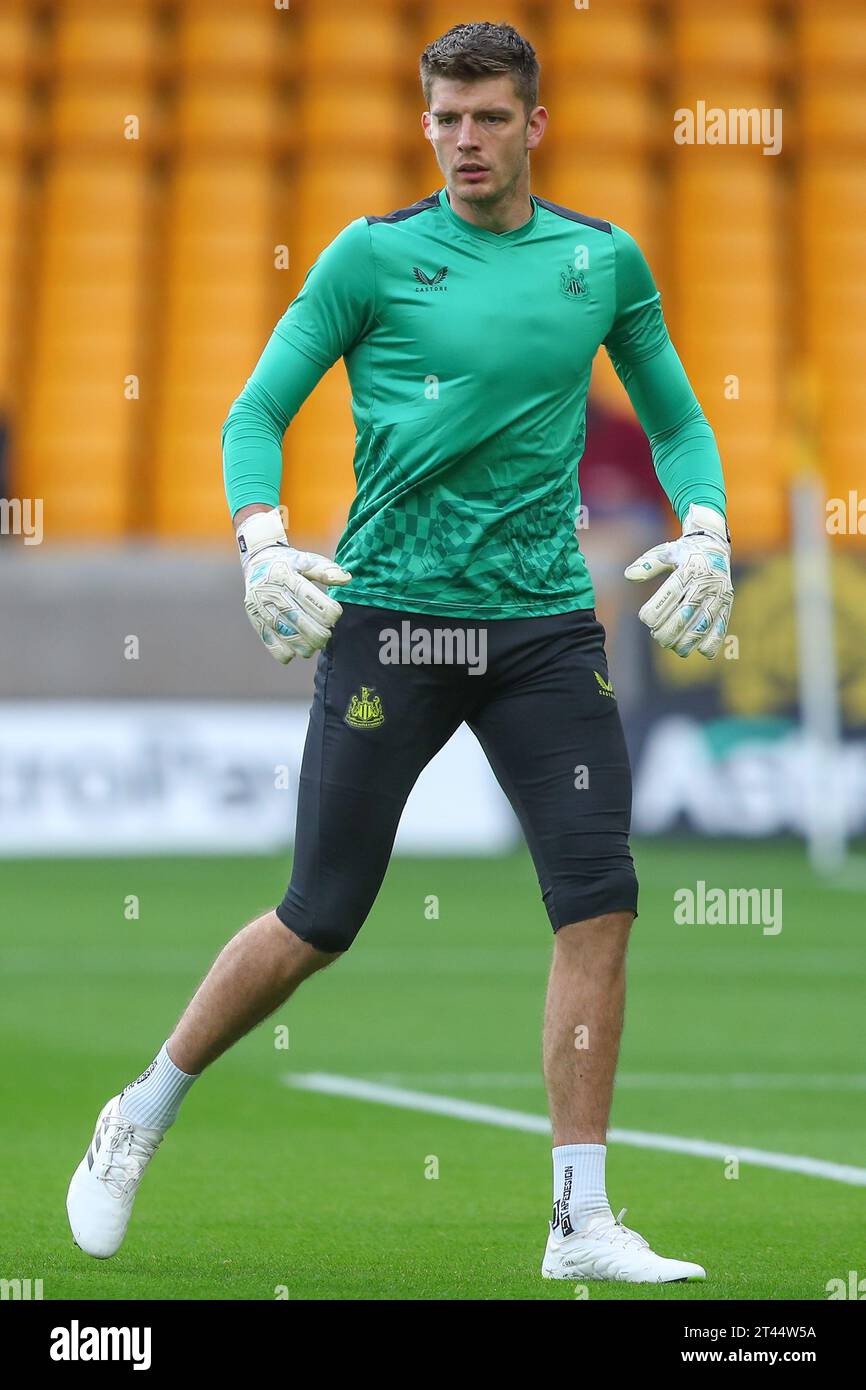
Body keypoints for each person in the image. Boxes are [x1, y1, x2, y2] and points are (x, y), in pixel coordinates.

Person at [68, 21, 732, 1284]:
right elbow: (255, 408)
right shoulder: (369, 258)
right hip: (394, 622)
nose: (464, 141)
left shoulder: (600, 262)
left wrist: (704, 523)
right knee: (319, 917)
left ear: (534, 123)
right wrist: (261, 543)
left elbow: (677, 417)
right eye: (444, 119)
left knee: (599, 898)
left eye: (488, 117)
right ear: (423, 123)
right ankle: (139, 1110)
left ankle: (577, 1220)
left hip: (540, 627)